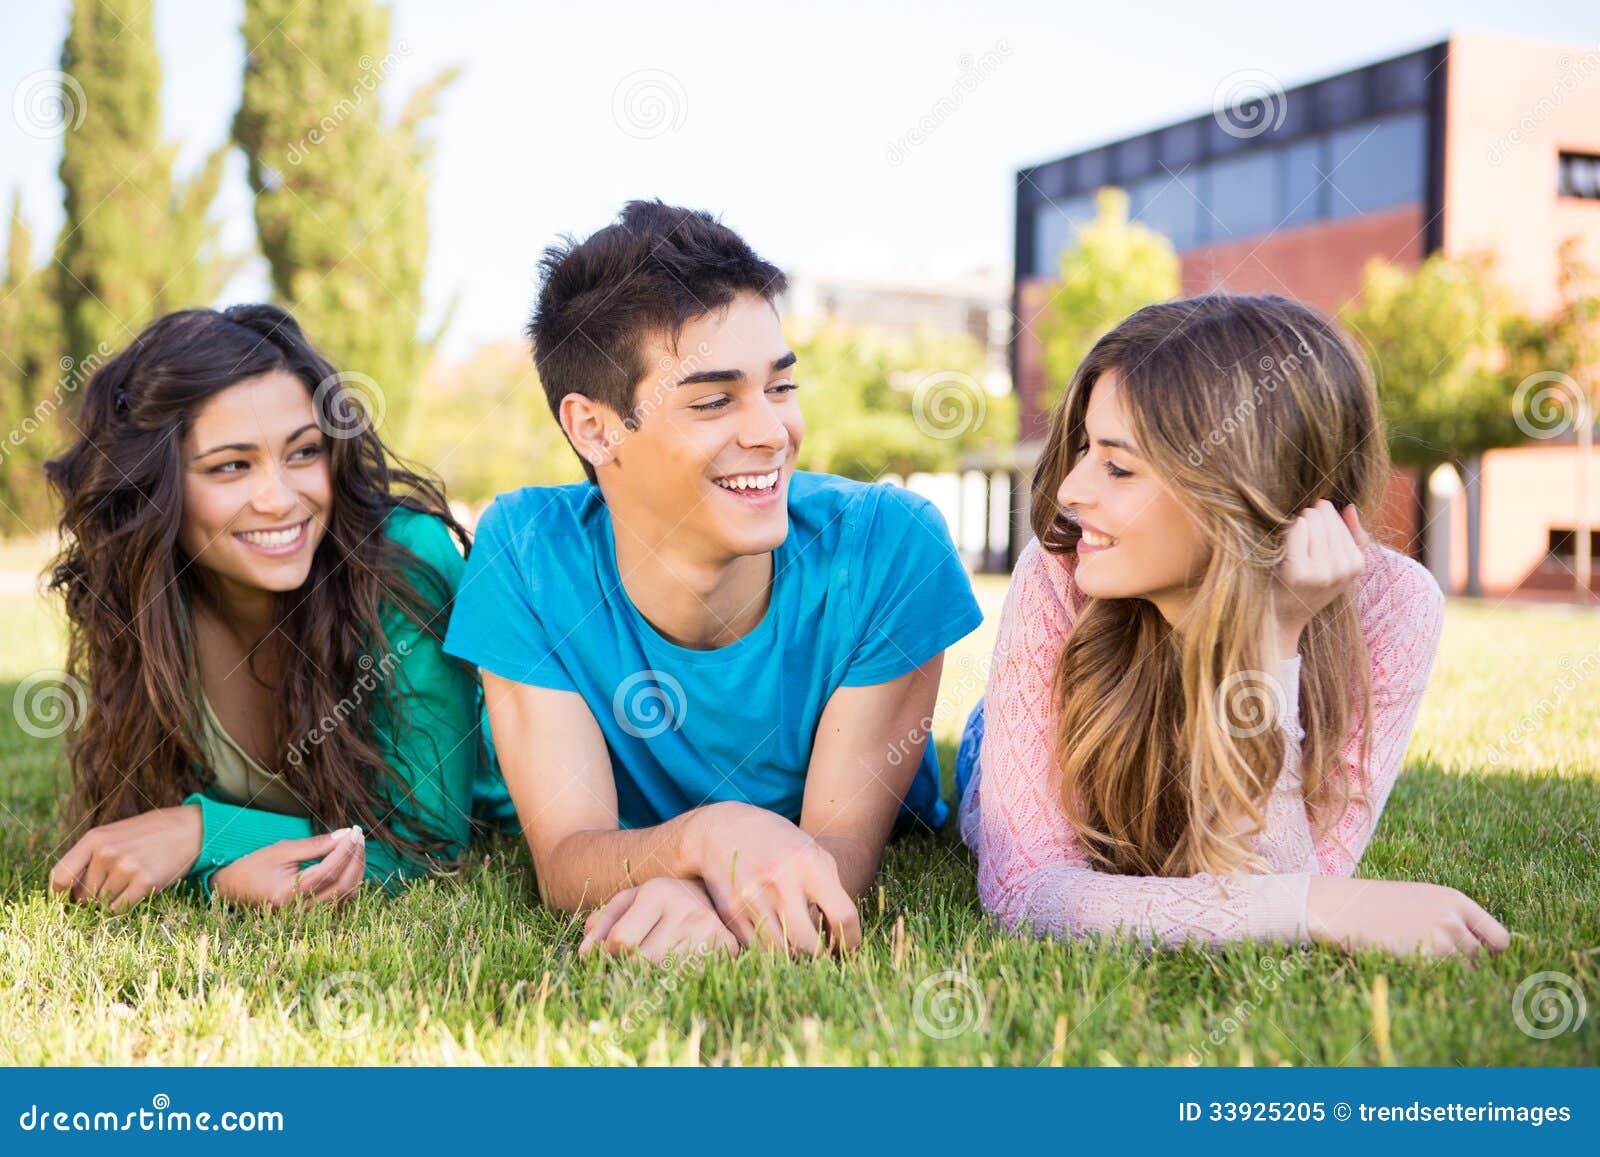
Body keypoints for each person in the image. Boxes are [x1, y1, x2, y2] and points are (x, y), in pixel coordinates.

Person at [443, 201, 983, 962]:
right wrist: (707, 834)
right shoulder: (526, 551)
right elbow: (566, 857)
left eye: (781, 388)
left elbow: (833, 860)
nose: (770, 432)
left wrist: (690, 886)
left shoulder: (890, 546)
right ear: (595, 428)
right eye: (714, 400)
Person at [957, 293, 1510, 957]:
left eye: (1118, 465)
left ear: (1245, 484)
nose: (1071, 492)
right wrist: (1309, 903)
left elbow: (1282, 879)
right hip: (1004, 737)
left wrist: (1272, 640)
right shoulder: (1058, 570)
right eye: (1083, 448)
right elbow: (1026, 890)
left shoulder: (1394, 605)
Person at [45, 304, 510, 911]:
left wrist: (202, 834)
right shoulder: (150, 599)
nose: (280, 499)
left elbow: (428, 845)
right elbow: (139, 849)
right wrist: (215, 872)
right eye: (231, 466)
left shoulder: (400, 559)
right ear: (155, 485)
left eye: (303, 453)